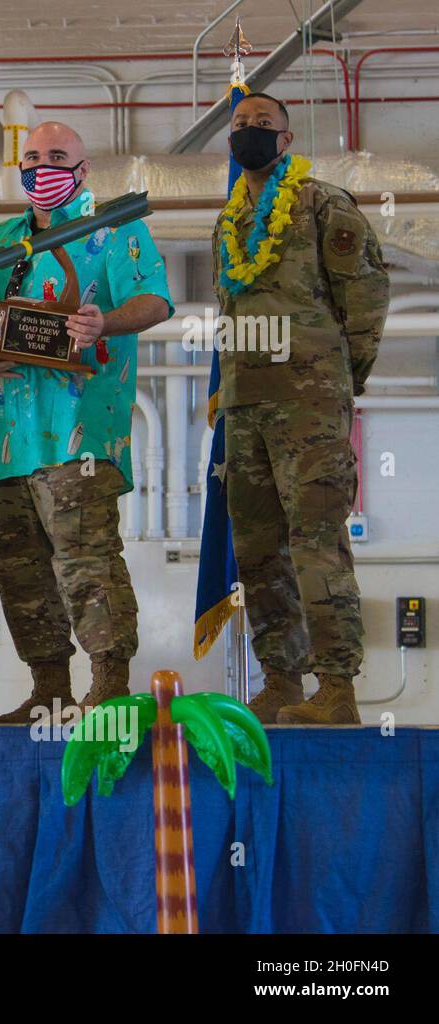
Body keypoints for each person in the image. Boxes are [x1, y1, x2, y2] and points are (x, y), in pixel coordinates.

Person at [0, 121, 172, 724]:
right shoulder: (1, 240)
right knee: (21, 569)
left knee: (87, 561)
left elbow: (155, 300)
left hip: (82, 428)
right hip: (11, 439)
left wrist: (103, 322)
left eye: (57, 156)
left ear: (82, 170)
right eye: (31, 157)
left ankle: (108, 684)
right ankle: (49, 691)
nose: (42, 166)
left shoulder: (114, 228)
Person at [212, 92, 388, 725]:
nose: (248, 133)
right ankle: (282, 681)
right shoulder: (229, 220)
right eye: (239, 125)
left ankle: (337, 687)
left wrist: (340, 378)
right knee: (258, 550)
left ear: (286, 141)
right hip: (246, 408)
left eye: (262, 125)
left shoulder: (321, 203)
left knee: (316, 541)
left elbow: (365, 298)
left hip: (309, 405)